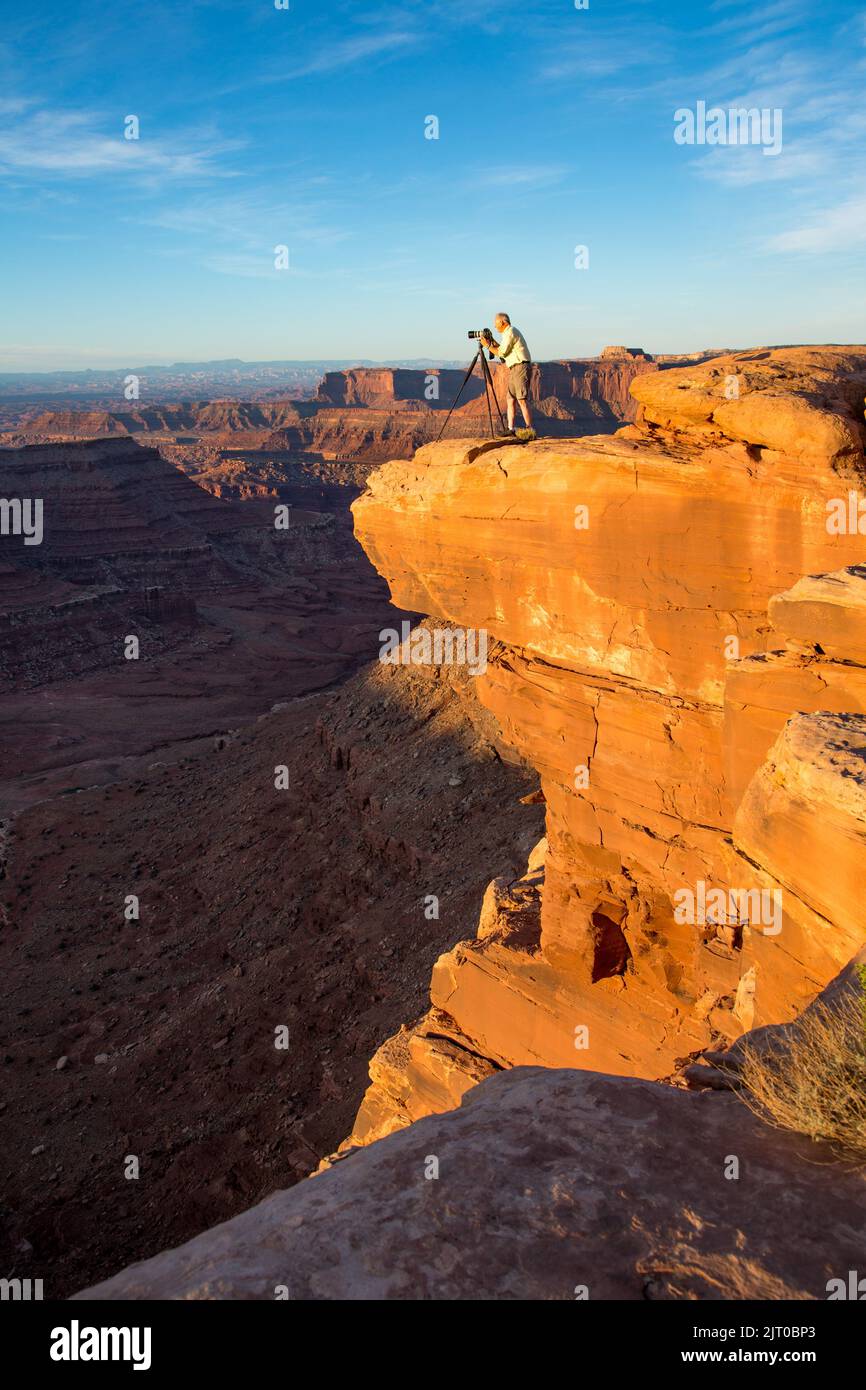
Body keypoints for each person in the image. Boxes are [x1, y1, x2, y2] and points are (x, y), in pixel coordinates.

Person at [483, 313, 534, 435]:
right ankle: (511, 429)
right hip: (514, 368)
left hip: (520, 367)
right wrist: (492, 341)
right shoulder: (508, 333)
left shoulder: (510, 332)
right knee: (510, 399)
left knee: (521, 400)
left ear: (502, 322)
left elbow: (501, 353)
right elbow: (502, 349)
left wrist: (487, 345)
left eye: (496, 324)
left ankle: (530, 429)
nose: (495, 327)